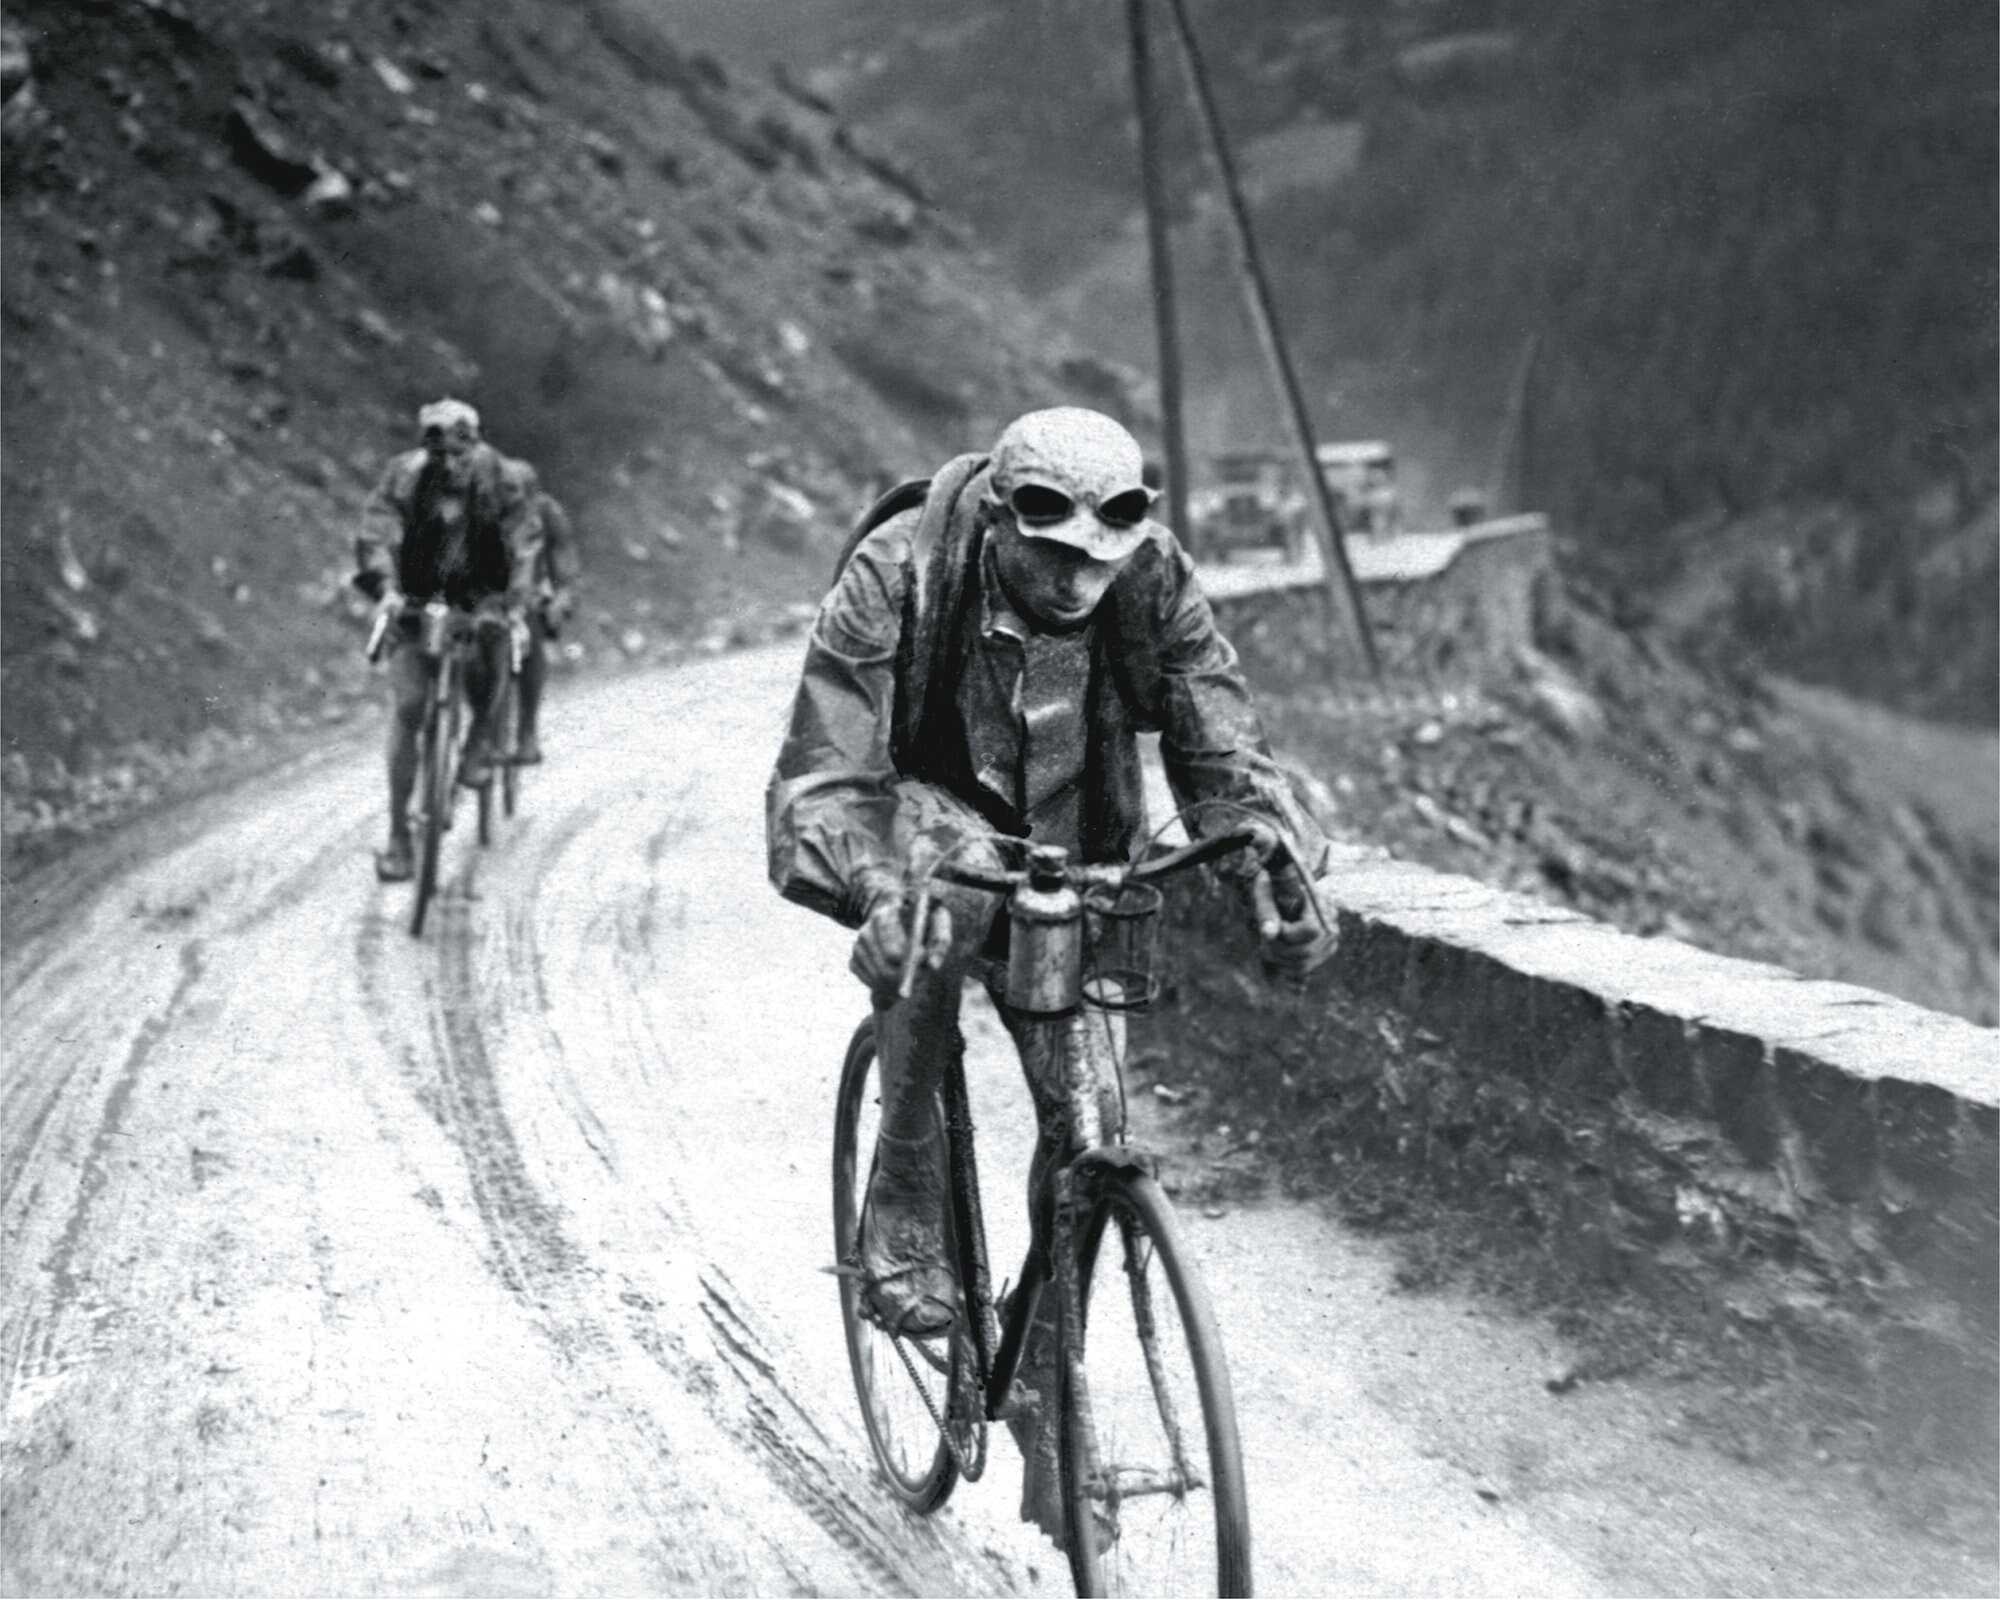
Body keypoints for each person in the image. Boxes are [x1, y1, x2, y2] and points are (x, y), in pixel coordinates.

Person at [766, 406, 1336, 1535]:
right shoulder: (899, 569)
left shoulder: (1152, 579)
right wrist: (874, 890)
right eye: (1052, 552)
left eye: (1101, 555)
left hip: (1078, 856)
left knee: (1087, 1130)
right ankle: (905, 1182)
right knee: (947, 878)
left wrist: (1275, 864)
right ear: (997, 516)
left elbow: (1219, 748)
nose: (1078, 578)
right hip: (931, 837)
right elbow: (823, 779)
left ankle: (1039, 1384)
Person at [355, 399, 541, 882]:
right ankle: (399, 837)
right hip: (417, 598)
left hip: (480, 594)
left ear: (475, 446)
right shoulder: (405, 476)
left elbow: (524, 538)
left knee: (494, 653)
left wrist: (515, 598)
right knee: (410, 706)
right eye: (441, 456)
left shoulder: (499, 475)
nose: (451, 466)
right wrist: (384, 588)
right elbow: (375, 531)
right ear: (426, 452)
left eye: (461, 455)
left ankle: (480, 737)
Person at [498, 459, 579, 767]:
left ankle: (527, 731)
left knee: (530, 637)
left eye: (516, 491)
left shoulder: (547, 512)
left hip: (529, 591)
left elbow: (563, 557)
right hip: (486, 591)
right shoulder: (481, 509)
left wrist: (563, 595)